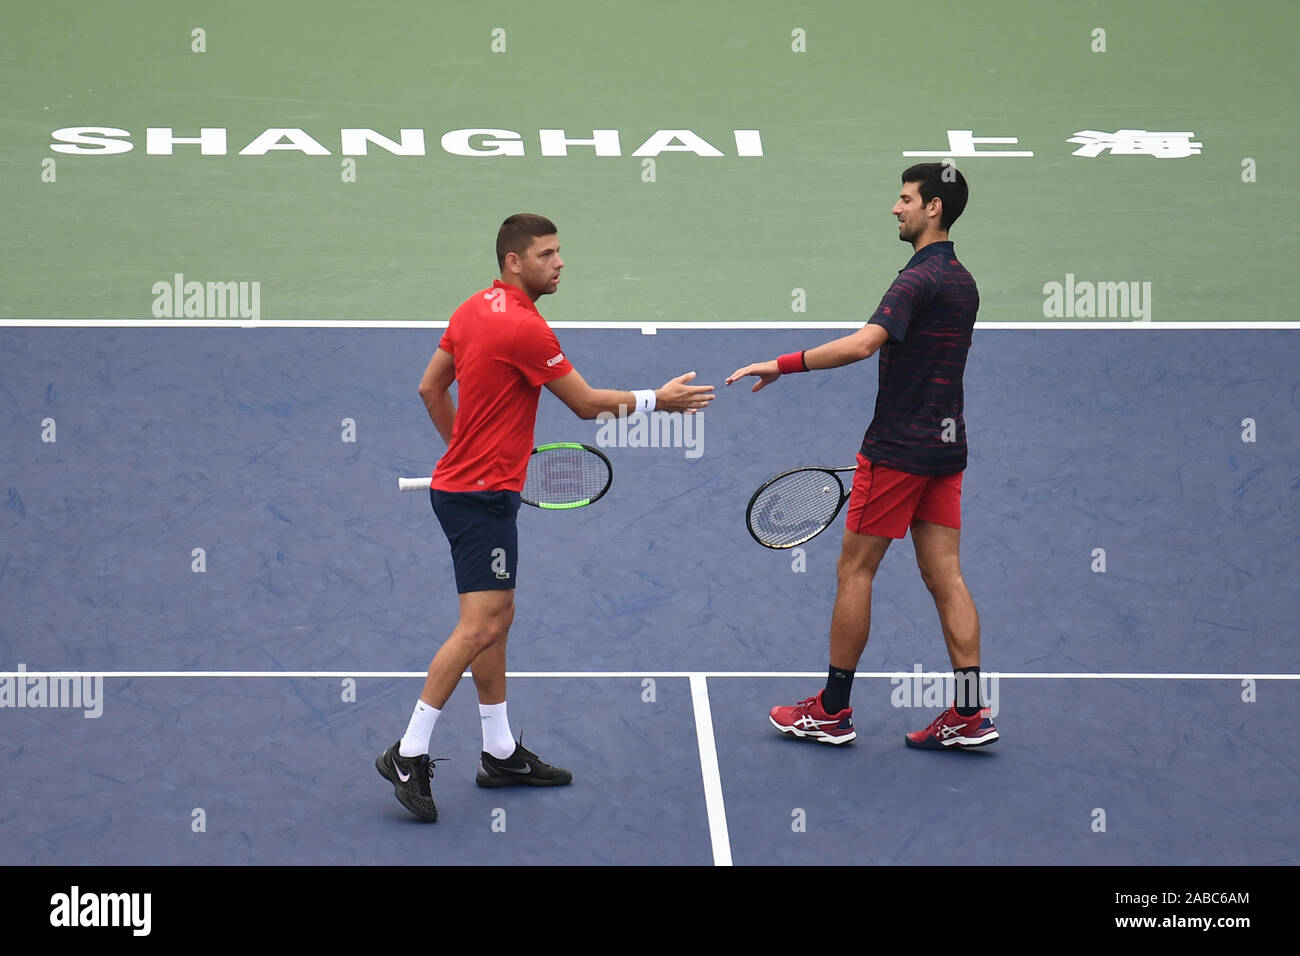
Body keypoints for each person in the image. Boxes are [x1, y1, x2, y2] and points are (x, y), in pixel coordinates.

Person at [377, 213, 714, 821]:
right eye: (547, 254)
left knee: (498, 618)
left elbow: (430, 389)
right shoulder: (529, 330)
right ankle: (409, 751)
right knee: (479, 627)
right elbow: (586, 406)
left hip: (470, 490)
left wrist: (462, 453)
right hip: (479, 501)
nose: (559, 263)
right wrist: (655, 400)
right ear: (515, 261)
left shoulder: (471, 308)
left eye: (560, 252)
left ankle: (499, 752)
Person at [725, 163, 998, 750]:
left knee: (856, 570)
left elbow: (861, 344)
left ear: (934, 210)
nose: (895, 209)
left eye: (905, 200)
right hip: (946, 448)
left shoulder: (915, 281)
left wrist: (782, 363)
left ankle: (832, 710)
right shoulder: (964, 281)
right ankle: (971, 713)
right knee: (946, 575)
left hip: (897, 448)